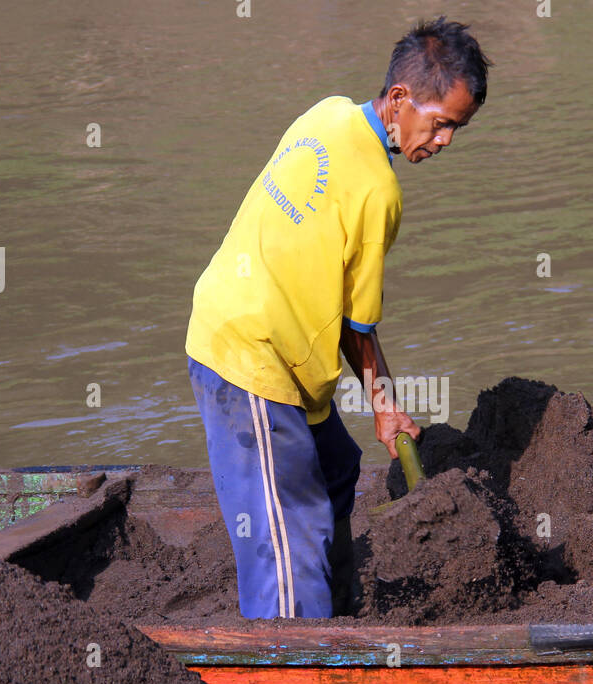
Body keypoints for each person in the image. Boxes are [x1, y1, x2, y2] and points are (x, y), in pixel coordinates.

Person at [185, 16, 491, 618]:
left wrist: (380, 406)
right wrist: (386, 405)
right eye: (442, 123)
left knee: (335, 465)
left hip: (259, 333)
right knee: (288, 531)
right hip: (249, 355)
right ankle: (297, 659)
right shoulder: (380, 193)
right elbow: (358, 327)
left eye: (458, 129)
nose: (446, 141)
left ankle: (341, 615)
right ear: (400, 100)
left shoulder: (325, 114)